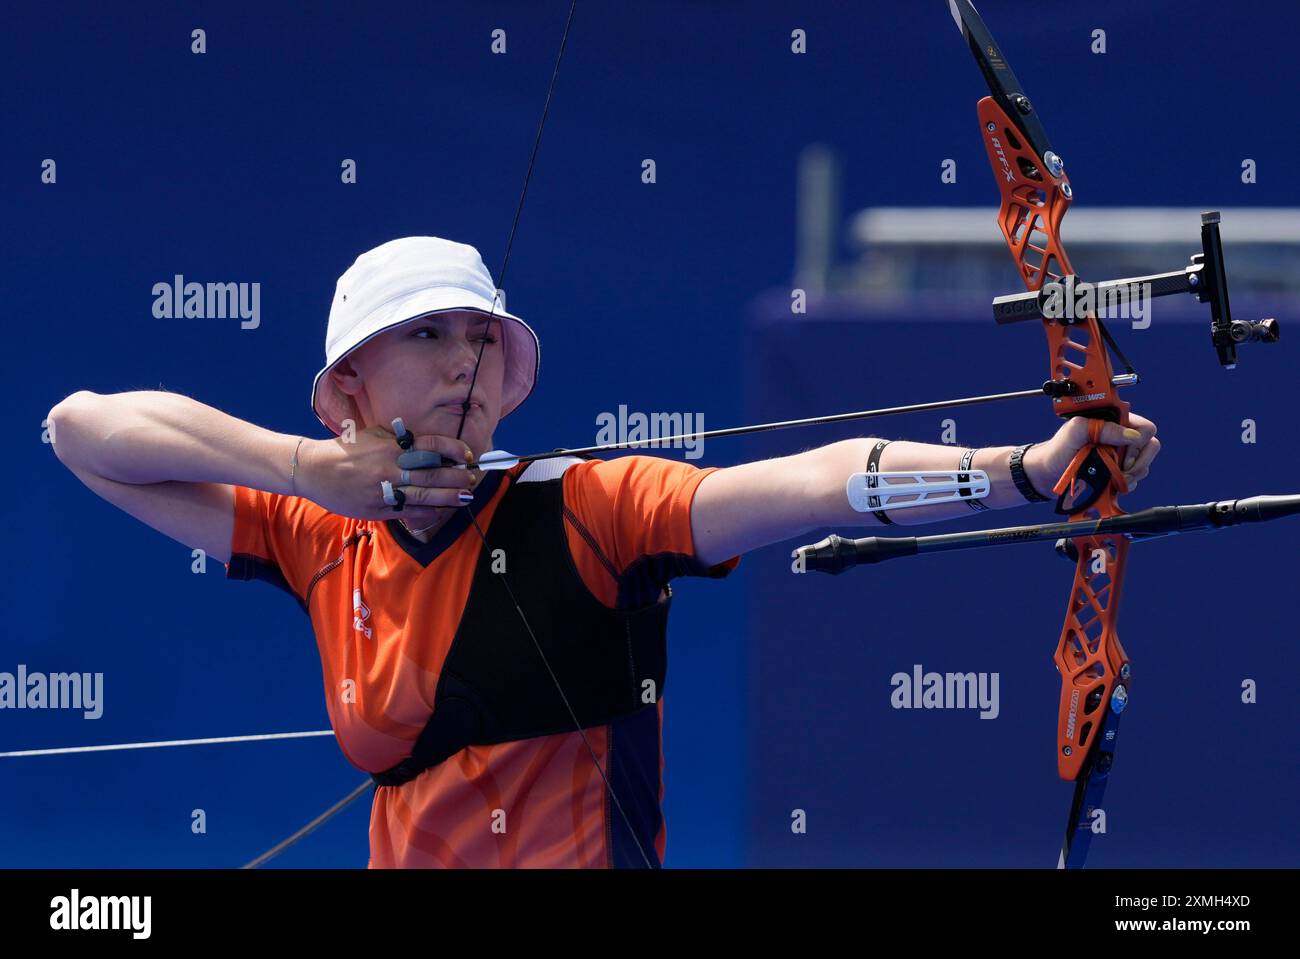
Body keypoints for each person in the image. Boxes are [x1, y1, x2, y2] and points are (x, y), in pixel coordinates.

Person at [46, 236, 1160, 868]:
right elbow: (83, 430)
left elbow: (810, 481)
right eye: (427, 335)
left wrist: (1018, 468)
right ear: (349, 387)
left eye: (480, 335)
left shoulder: (592, 506)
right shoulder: (312, 534)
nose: (463, 361)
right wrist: (304, 468)